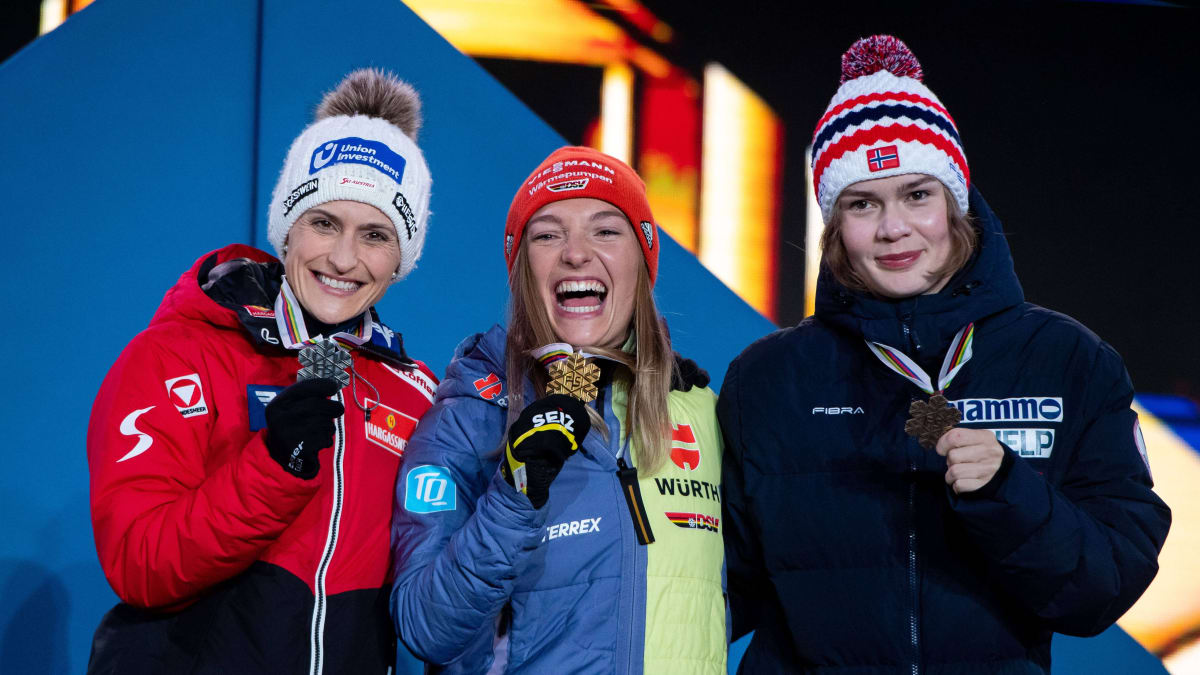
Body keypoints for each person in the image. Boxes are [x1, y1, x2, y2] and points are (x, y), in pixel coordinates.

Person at [719, 35, 1170, 674]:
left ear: (956, 202)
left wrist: (1005, 491)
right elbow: (711, 591)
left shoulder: (1069, 360)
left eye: (917, 194)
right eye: (862, 203)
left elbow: (1100, 590)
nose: (893, 227)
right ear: (834, 224)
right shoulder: (767, 379)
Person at [86, 69, 439, 674]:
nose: (344, 258)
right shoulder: (179, 354)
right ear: (286, 229)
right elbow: (139, 563)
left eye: (376, 235)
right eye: (324, 223)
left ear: (400, 258)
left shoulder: (418, 396)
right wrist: (276, 464)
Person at [389, 146, 726, 673]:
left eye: (606, 230)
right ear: (523, 270)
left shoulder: (699, 409)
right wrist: (512, 494)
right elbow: (423, 628)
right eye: (547, 234)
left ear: (644, 259)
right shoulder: (471, 417)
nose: (576, 253)